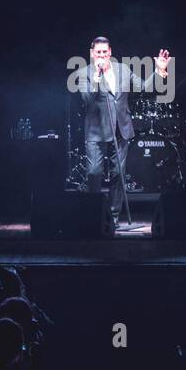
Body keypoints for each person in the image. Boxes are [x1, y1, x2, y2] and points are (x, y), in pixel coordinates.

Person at [72, 37, 170, 227]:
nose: (101, 55)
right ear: (92, 54)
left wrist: (160, 70)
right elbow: (87, 100)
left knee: (118, 174)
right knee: (94, 173)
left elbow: (144, 87)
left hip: (120, 130)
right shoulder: (84, 73)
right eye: (98, 52)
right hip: (96, 132)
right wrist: (97, 79)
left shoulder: (123, 70)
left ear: (110, 52)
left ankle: (114, 217)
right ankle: (95, 215)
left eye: (104, 52)